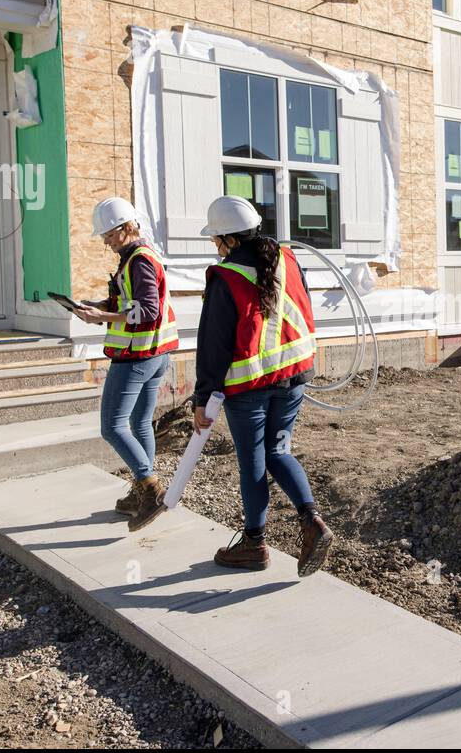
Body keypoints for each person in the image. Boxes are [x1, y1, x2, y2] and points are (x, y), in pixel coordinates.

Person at [192, 195, 332, 577]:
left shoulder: (226, 277)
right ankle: (312, 520)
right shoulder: (286, 258)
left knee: (253, 463)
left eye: (216, 239)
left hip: (249, 389)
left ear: (230, 240)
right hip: (293, 380)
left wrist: (202, 398)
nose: (215, 247)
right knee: (280, 451)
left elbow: (214, 343)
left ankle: (254, 544)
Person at [76, 197, 178, 532]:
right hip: (154, 354)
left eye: (107, 233)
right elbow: (131, 301)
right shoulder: (138, 256)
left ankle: (150, 489)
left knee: (113, 427)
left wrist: (103, 316)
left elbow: (148, 311)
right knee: (140, 424)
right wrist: (99, 306)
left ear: (124, 228)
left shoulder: (139, 260)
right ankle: (140, 490)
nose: (104, 240)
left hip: (137, 356)